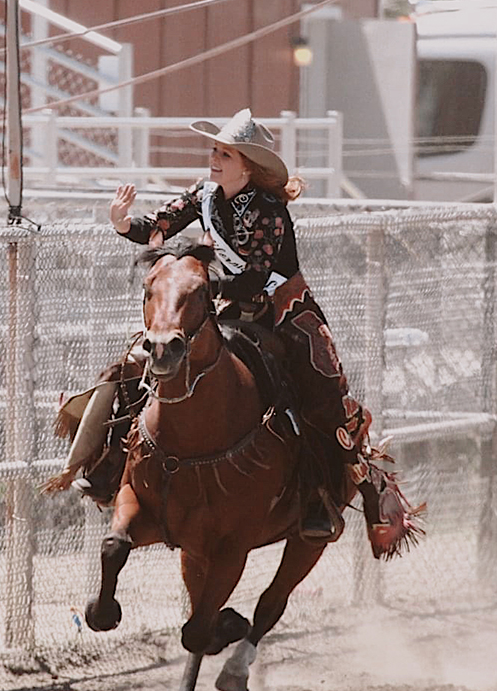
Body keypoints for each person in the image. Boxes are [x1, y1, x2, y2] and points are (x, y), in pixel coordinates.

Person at [57, 108, 424, 558]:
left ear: (247, 166)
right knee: (140, 361)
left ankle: (341, 492)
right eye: (214, 150)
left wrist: (200, 287)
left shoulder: (270, 211)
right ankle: (108, 463)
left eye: (224, 154)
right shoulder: (205, 195)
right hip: (225, 309)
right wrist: (122, 222)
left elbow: (255, 278)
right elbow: (159, 226)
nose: (215, 159)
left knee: (324, 394)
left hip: (283, 311)